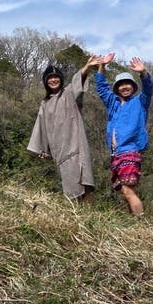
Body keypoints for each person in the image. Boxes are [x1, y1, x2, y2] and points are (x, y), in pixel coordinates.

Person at [90, 53, 153, 216]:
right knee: (124, 192)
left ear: (133, 87)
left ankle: (141, 224)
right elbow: (102, 88)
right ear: (117, 88)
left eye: (128, 84)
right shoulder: (113, 103)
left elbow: (148, 88)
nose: (125, 87)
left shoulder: (140, 102)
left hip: (129, 151)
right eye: (121, 85)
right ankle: (135, 222)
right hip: (116, 154)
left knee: (127, 190)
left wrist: (143, 73)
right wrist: (102, 66)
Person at [27, 58, 97, 204]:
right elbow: (42, 125)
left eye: (56, 77)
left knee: (85, 182)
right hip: (60, 150)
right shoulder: (45, 104)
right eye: (50, 78)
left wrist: (87, 66)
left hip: (77, 145)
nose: (53, 80)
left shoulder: (69, 93)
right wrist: (42, 148)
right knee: (71, 186)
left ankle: (89, 217)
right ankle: (77, 217)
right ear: (46, 82)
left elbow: (79, 80)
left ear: (61, 79)